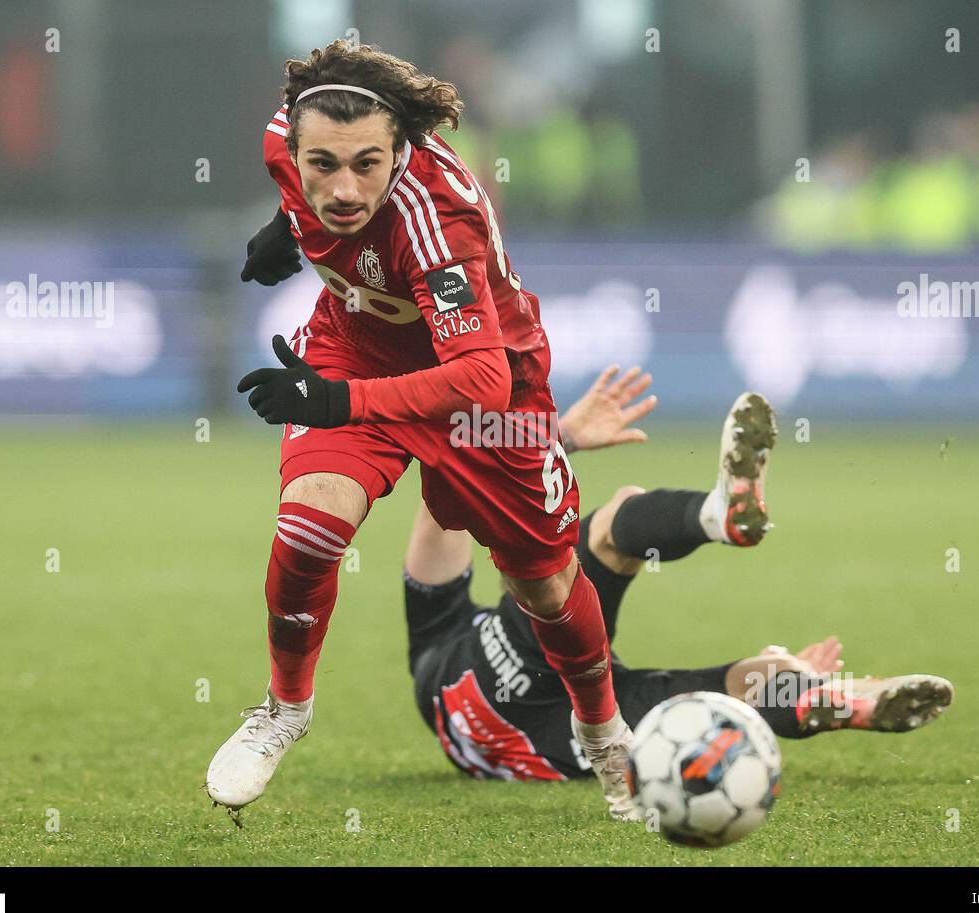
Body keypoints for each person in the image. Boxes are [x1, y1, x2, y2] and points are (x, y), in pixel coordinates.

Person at [205, 41, 671, 820]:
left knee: (546, 588)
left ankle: (603, 733)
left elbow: (480, 376)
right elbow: (319, 188)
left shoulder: (436, 215)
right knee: (308, 528)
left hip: (488, 394)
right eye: (321, 165)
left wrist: (333, 404)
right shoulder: (284, 146)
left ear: (400, 151)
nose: (343, 186)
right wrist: (290, 222)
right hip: (354, 345)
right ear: (292, 147)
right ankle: (284, 710)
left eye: (367, 164)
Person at [402, 367, 954, 780]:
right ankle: (715, 516)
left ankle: (830, 697)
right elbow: (448, 504)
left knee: (744, 687)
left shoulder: (439, 677)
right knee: (612, 522)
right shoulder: (437, 651)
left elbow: (449, 509)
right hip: (560, 705)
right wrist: (558, 437)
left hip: (566, 747)